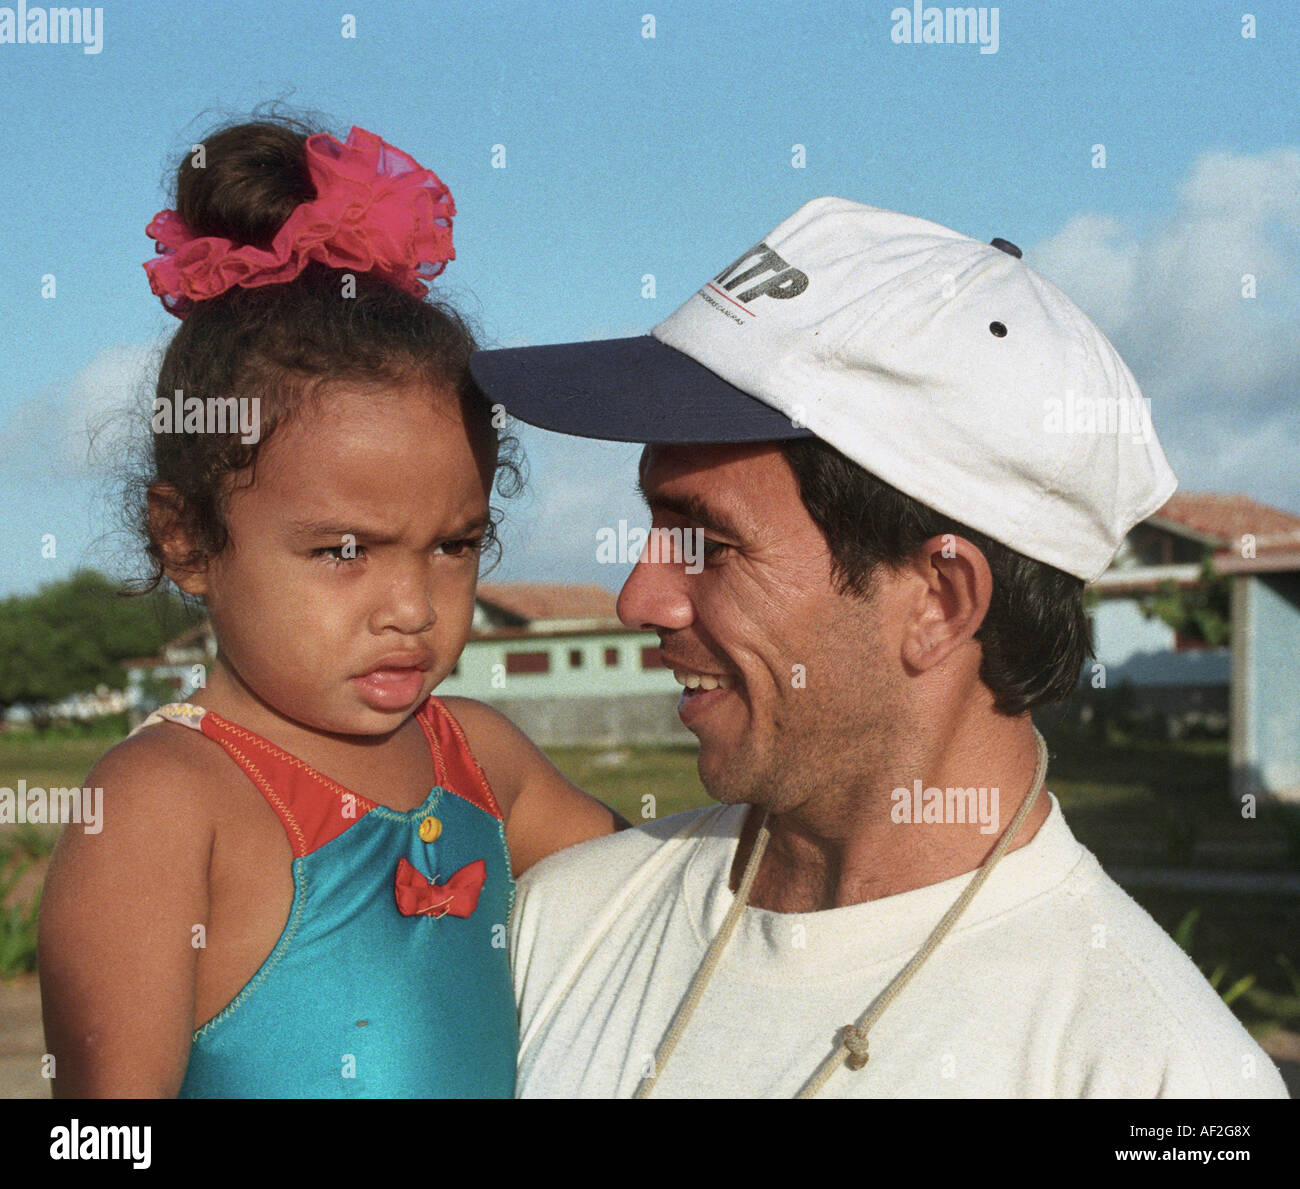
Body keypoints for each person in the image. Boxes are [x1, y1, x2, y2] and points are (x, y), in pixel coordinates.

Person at [471, 198, 1290, 1098]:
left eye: (706, 540)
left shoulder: (1161, 1078)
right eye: (653, 525)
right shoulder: (566, 921)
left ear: (939, 600)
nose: (639, 597)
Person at [38, 116, 622, 1098]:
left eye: (453, 544)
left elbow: (681, 891)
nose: (409, 607)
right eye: (342, 551)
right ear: (187, 539)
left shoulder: (481, 761)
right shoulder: (163, 804)